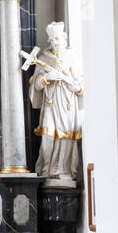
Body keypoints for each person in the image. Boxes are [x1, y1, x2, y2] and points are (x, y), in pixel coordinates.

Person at [29, 21, 84, 184]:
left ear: (64, 39)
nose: (55, 42)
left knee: (65, 136)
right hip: (51, 104)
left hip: (67, 104)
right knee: (48, 136)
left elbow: (81, 82)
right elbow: (35, 85)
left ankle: (63, 169)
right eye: (52, 40)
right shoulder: (43, 59)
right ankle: (47, 168)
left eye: (58, 39)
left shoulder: (72, 57)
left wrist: (77, 86)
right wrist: (46, 78)